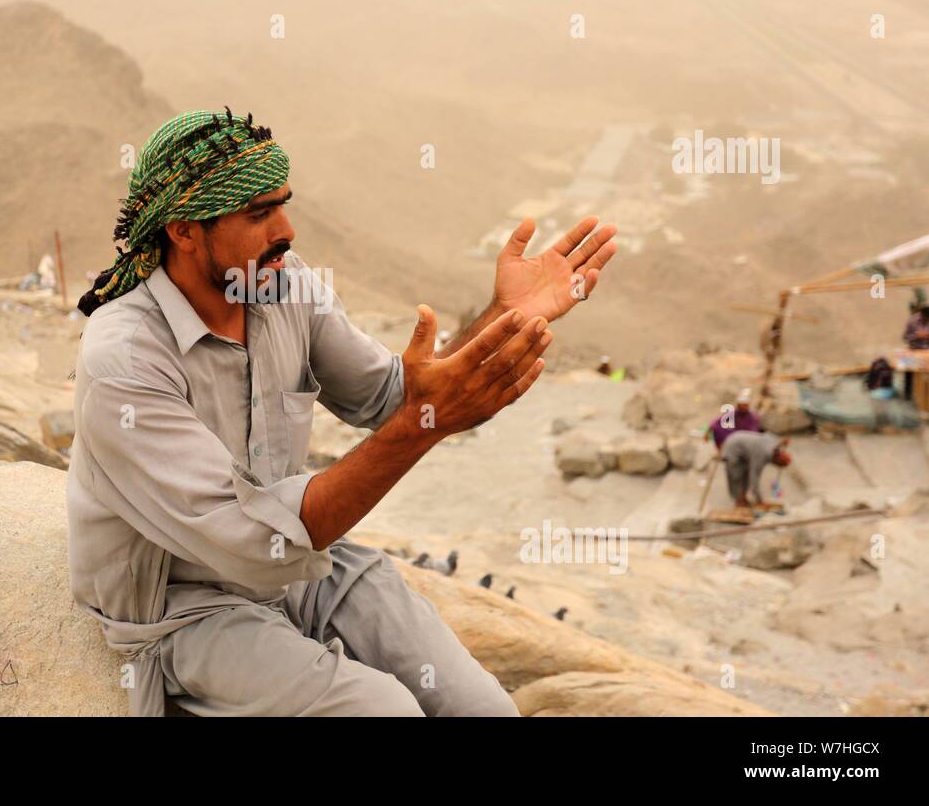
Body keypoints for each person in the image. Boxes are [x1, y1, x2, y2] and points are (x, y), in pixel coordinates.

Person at [67, 108, 619, 716]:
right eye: (258, 214)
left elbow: (391, 397)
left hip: (307, 571)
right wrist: (417, 428)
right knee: (382, 711)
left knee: (478, 707)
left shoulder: (284, 286)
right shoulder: (125, 357)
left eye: (282, 204)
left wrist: (503, 316)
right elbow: (248, 539)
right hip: (184, 604)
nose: (287, 231)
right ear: (182, 231)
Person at [721, 431, 791, 509]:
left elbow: (768, 435)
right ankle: (739, 502)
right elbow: (754, 479)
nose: (775, 466)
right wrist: (759, 500)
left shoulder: (773, 446)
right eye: (778, 465)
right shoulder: (761, 456)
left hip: (741, 445)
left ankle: (743, 499)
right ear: (776, 460)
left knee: (745, 475)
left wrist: (781, 442)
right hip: (732, 449)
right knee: (737, 477)